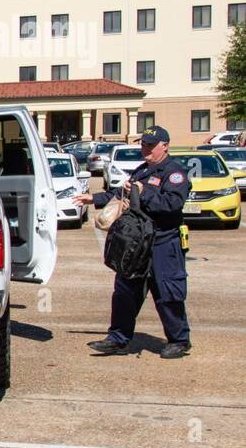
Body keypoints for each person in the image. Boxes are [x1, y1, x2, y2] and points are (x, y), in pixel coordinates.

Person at [73, 124, 191, 358]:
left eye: (150, 145)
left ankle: (179, 340)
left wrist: (143, 192)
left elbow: (172, 204)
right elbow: (120, 193)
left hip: (163, 243)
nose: (144, 149)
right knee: (125, 291)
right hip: (138, 244)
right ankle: (118, 339)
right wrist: (93, 198)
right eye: (143, 144)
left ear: (164, 146)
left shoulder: (174, 172)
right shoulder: (142, 170)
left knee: (167, 293)